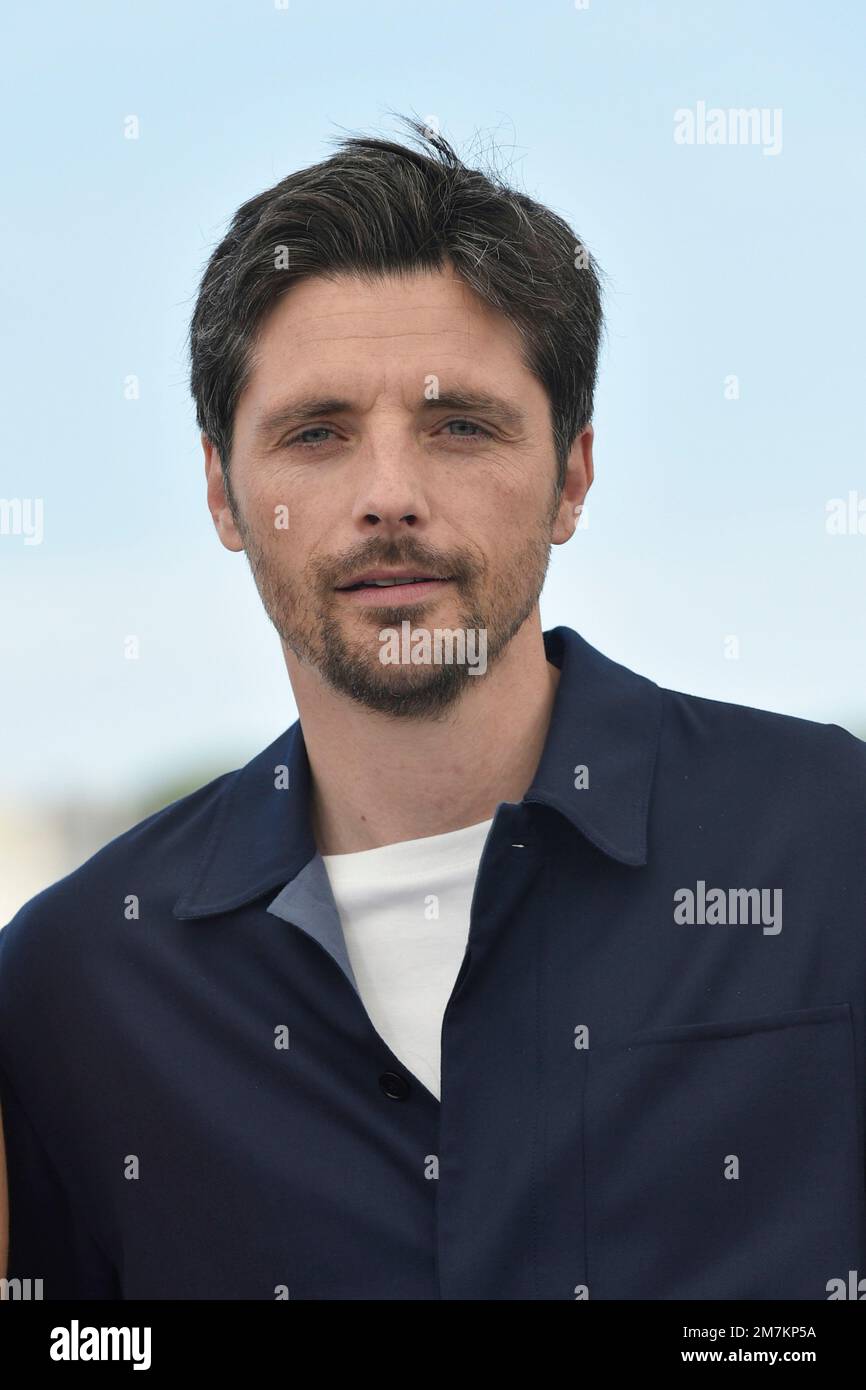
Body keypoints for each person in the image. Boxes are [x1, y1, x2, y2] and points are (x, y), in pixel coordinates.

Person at [0, 117, 864, 1301]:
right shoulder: (73, 987)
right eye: (316, 434)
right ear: (222, 493)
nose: (388, 497)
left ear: (570, 475)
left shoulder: (831, 847)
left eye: (458, 424)